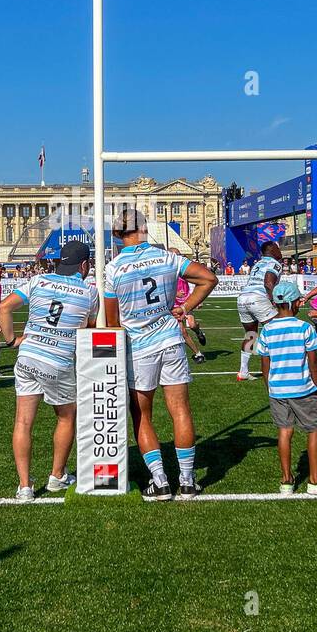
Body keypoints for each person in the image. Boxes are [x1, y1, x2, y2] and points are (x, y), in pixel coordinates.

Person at [103, 207, 218, 500]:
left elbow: (113, 321)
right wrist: (184, 307)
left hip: (138, 347)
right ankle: (188, 480)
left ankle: (160, 480)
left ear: (117, 234)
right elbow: (208, 279)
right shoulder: (167, 257)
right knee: (180, 410)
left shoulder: (114, 268)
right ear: (144, 229)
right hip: (170, 339)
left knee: (142, 414)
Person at [0, 241, 98, 500]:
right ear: (84, 265)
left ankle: (24, 487)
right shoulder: (89, 292)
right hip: (58, 361)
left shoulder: (38, 281)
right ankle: (57, 475)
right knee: (66, 416)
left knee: (23, 422)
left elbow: (3, 307)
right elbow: (92, 326)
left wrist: (11, 340)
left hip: (28, 355)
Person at [255, 280, 317, 496]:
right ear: (294, 303)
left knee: (284, 431)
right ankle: (314, 481)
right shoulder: (304, 328)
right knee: (314, 429)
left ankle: (286, 481)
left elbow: (264, 365)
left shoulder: (266, 330)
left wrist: (270, 387)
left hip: (277, 391)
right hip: (303, 389)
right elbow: (313, 363)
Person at [235, 241, 283, 381]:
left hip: (243, 298)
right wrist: (275, 301)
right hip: (258, 297)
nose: (280, 251)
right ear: (272, 250)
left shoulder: (258, 263)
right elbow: (268, 283)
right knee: (277, 331)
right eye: (278, 248)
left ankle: (243, 372)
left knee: (251, 335)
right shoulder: (274, 263)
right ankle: (277, 369)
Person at [173, 265, 206, 364]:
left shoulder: (185, 271)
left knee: (192, 325)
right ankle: (198, 354)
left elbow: (198, 283)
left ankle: (198, 331)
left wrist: (199, 300)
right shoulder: (167, 272)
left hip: (186, 303)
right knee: (182, 332)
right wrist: (175, 294)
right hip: (173, 305)